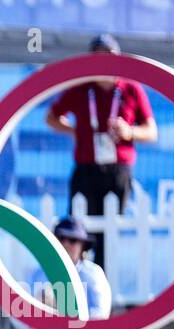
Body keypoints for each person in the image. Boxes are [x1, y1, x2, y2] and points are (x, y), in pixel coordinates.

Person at [45, 34, 157, 265]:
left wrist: (129, 132)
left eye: (108, 55)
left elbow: (151, 131)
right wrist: (76, 131)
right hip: (86, 167)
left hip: (118, 169)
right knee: (80, 228)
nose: (103, 62)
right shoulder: (80, 89)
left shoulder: (131, 89)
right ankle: (77, 278)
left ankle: (103, 279)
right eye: (98, 56)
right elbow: (52, 118)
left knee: (111, 230)